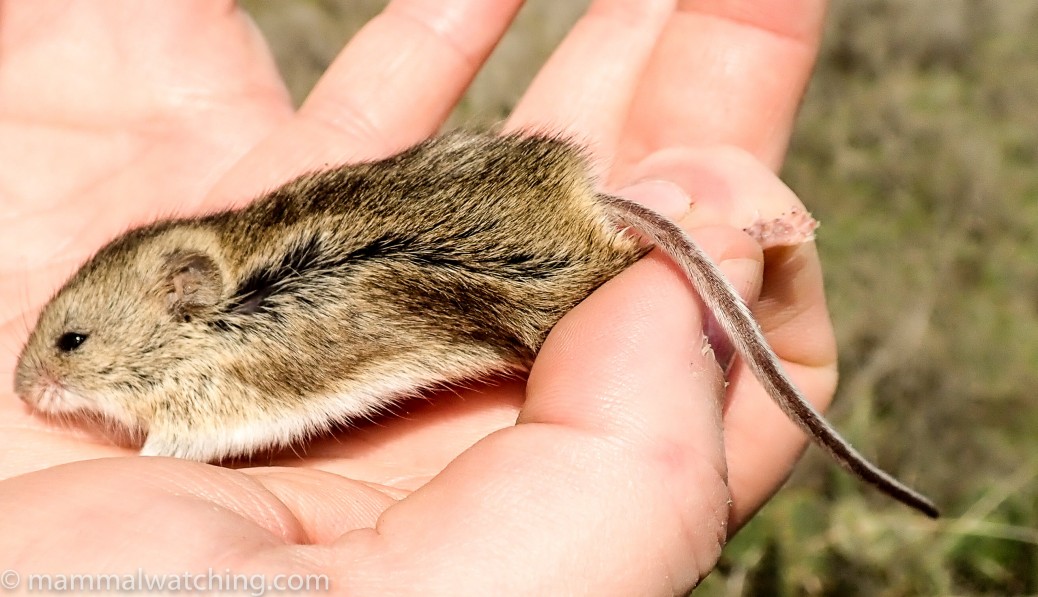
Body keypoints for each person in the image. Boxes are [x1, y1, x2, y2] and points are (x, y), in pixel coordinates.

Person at [0, 0, 835, 593]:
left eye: (72, 344)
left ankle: (698, 233)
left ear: (186, 293)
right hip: (508, 184)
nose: (49, 372)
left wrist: (164, 447)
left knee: (599, 289)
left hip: (528, 277)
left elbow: (236, 419)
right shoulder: (207, 293)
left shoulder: (217, 368)